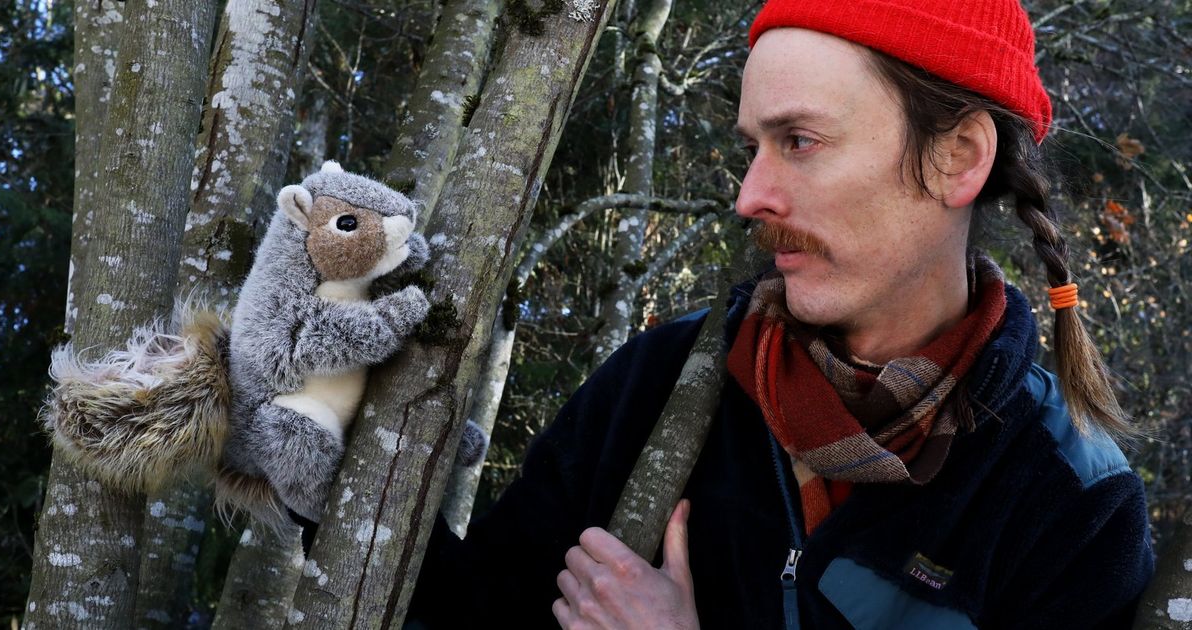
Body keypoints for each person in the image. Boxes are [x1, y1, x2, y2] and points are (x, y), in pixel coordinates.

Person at [408, 0, 1155, 627]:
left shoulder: (1072, 498)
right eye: (753, 147)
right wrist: (354, 438)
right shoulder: (656, 386)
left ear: (958, 155)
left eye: (800, 140)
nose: (750, 197)